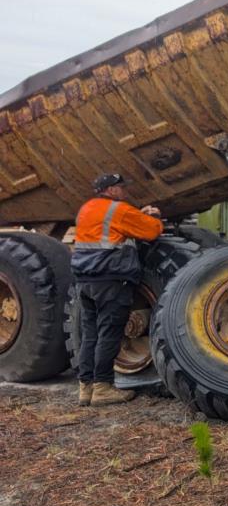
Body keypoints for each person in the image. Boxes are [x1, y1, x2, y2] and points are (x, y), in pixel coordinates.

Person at [71, 173, 163, 407]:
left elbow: (109, 231)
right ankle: (103, 388)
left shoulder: (86, 208)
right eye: (121, 187)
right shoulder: (118, 210)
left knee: (90, 334)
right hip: (111, 281)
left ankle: (86, 389)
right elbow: (151, 231)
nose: (124, 191)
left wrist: (136, 217)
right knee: (109, 334)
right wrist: (153, 216)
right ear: (110, 190)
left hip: (86, 282)